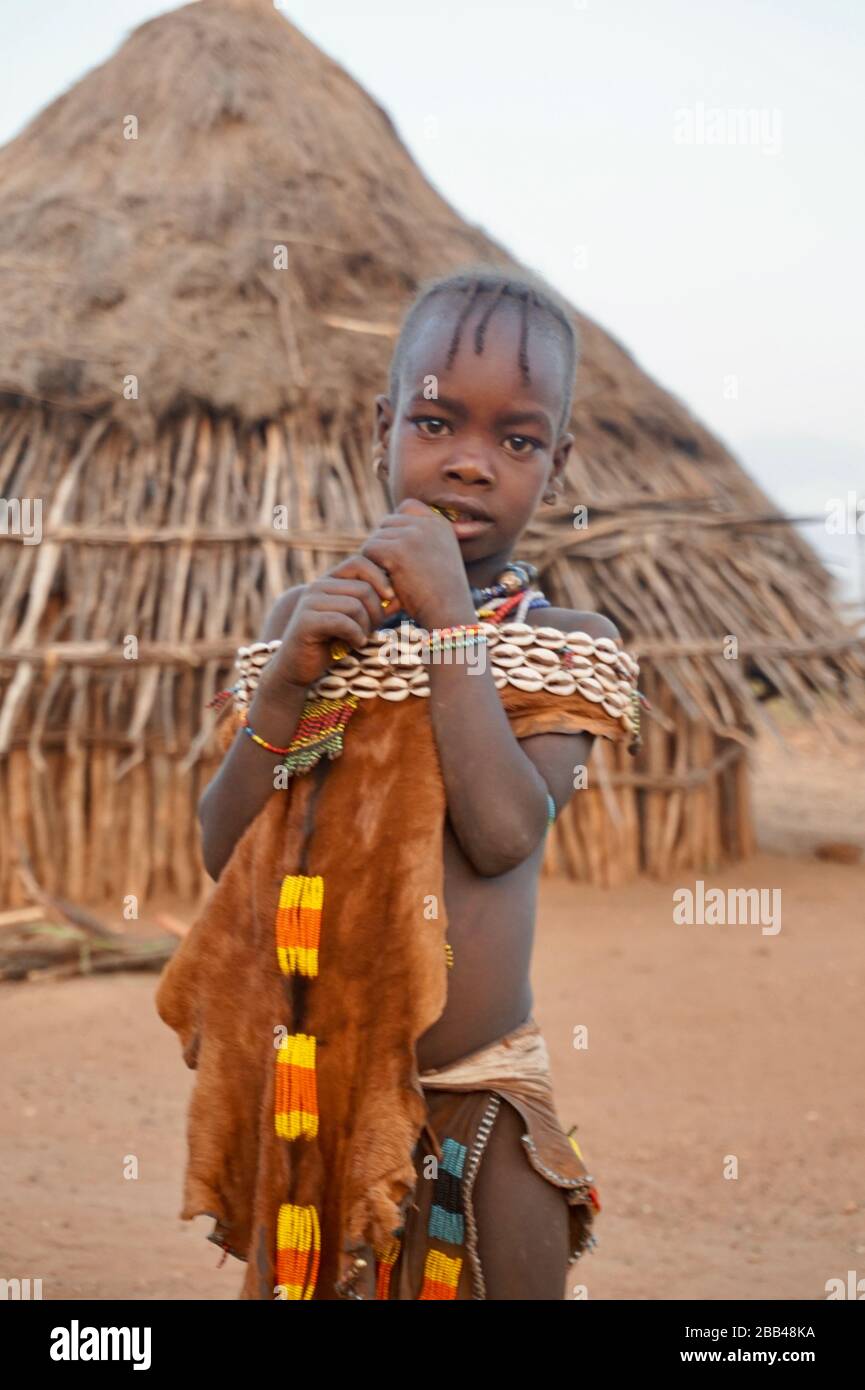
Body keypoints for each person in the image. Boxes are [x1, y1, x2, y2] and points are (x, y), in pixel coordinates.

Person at [158, 265, 641, 1300]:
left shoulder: (558, 647)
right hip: (313, 1101)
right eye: (434, 423)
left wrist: (448, 630)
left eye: (515, 440)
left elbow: (503, 831)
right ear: (381, 429)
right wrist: (286, 685)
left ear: (555, 467)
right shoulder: (312, 623)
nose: (469, 464)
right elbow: (218, 845)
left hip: (476, 1095)